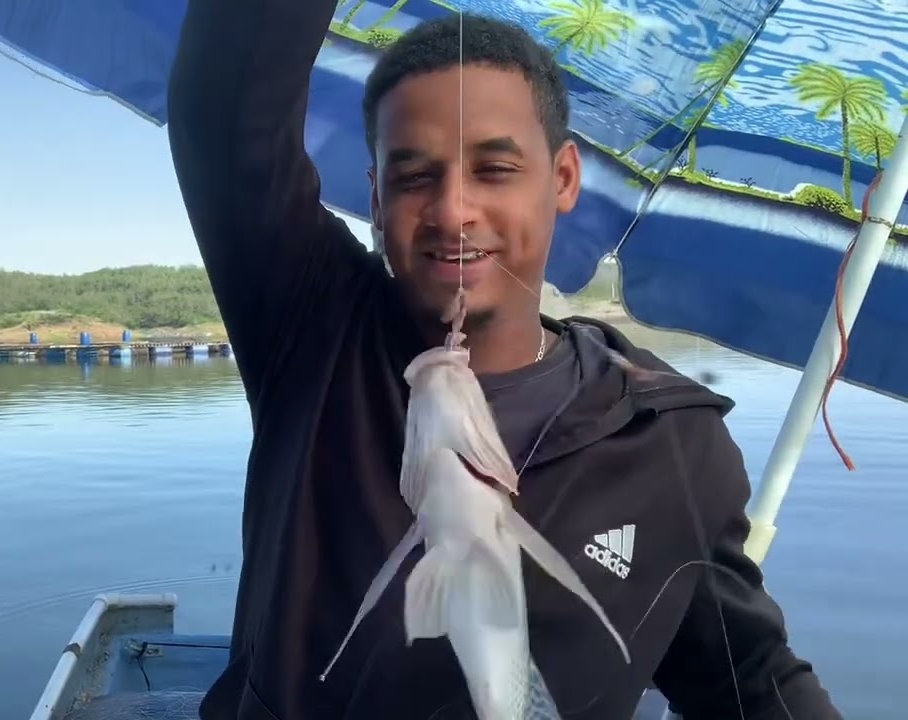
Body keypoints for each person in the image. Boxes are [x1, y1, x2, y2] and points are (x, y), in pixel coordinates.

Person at [166, 1, 841, 718]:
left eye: (494, 168)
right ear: (376, 198)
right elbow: (223, 115)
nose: (452, 210)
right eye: (413, 177)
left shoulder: (673, 437)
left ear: (563, 178)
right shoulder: (312, 326)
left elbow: (747, 676)